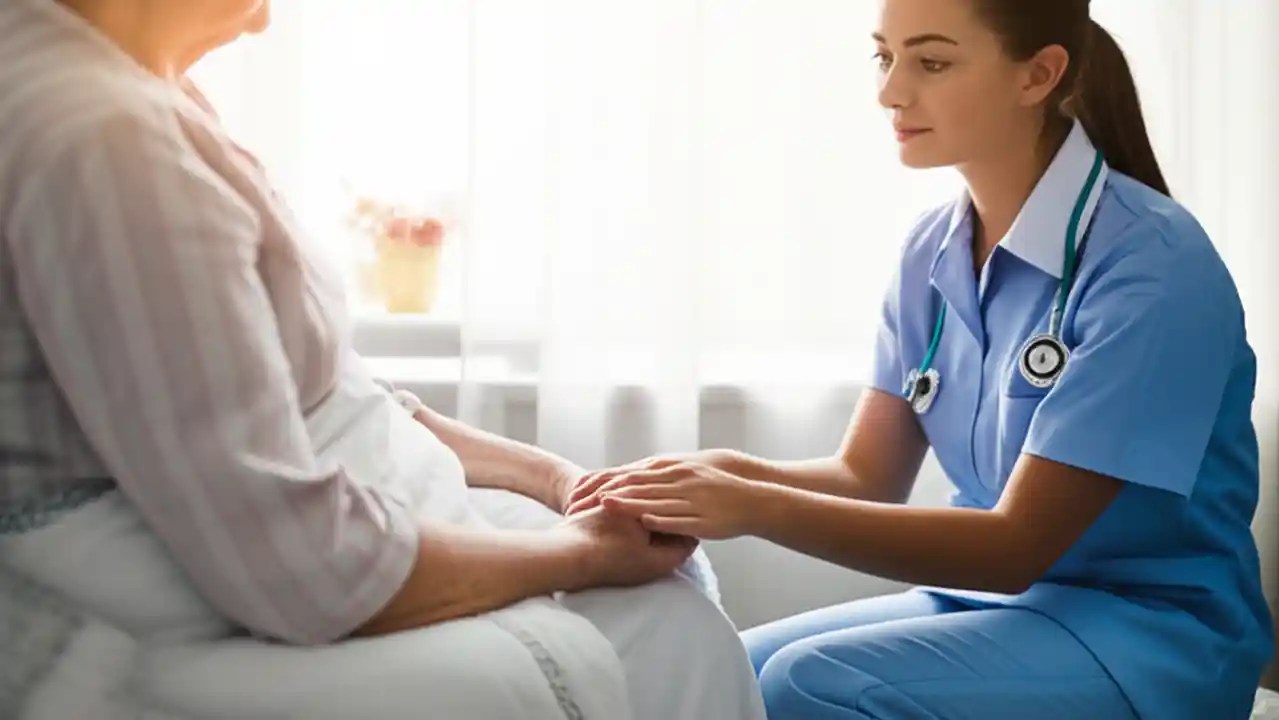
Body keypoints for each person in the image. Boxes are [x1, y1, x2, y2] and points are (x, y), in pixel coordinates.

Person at [0, 0, 765, 718]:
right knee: (671, 631)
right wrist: (580, 553)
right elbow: (302, 568)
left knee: (668, 614)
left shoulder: (142, 93)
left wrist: (558, 480)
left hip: (368, 506)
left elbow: (323, 389)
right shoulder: (108, 139)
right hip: (293, 572)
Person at [568, 0, 1274, 717]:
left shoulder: (1152, 266)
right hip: (1000, 606)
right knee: (731, 670)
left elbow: (1015, 546)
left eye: (931, 63)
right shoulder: (931, 251)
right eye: (886, 57)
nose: (890, 92)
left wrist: (751, 506)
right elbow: (866, 476)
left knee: (808, 682)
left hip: (1149, 635)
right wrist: (714, 473)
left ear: (1038, 75)